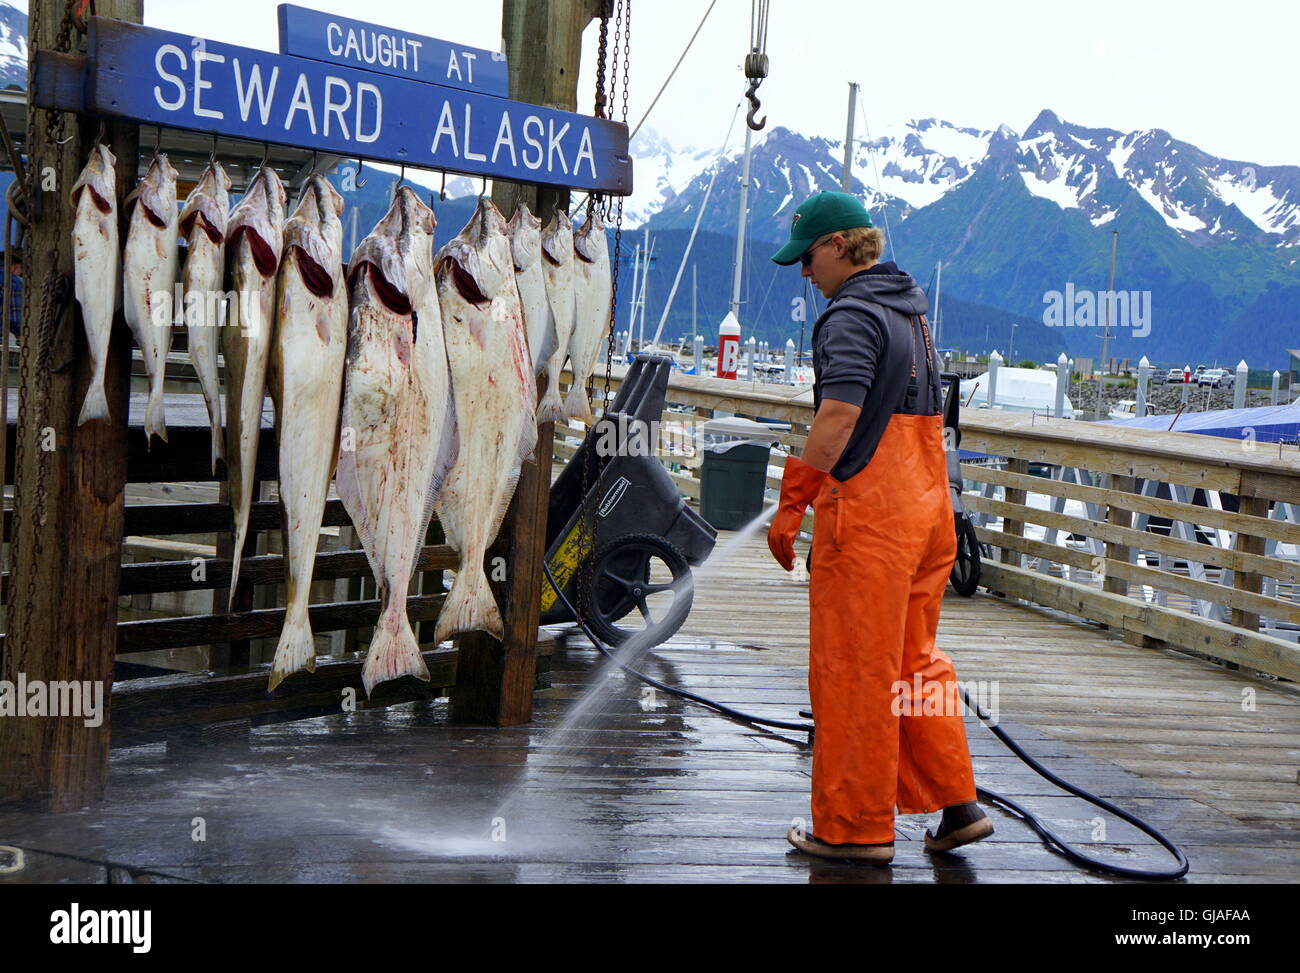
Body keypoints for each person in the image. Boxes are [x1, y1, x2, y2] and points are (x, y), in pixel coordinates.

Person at [768, 191, 991, 865]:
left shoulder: (849, 317)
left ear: (838, 246)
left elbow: (838, 417)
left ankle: (852, 828)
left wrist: (793, 502)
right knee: (912, 661)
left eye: (807, 259)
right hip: (928, 511)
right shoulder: (911, 311)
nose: (805, 275)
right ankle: (958, 806)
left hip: (870, 520)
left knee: (857, 672)